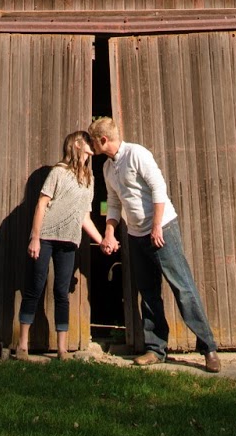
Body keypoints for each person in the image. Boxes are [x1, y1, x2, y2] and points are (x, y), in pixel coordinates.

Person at [89, 116, 220, 373]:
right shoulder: (107, 168)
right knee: (148, 293)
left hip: (163, 230)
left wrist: (157, 226)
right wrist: (109, 232)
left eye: (93, 142)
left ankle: (209, 348)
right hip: (136, 236)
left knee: (182, 288)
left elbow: (159, 189)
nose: (91, 146)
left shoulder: (137, 154)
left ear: (103, 140)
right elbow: (113, 204)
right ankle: (156, 349)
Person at [15, 130, 103, 359]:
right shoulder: (58, 172)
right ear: (76, 144)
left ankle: (62, 349)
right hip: (45, 238)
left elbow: (85, 216)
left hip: (69, 242)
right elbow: (42, 204)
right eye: (86, 141)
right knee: (35, 288)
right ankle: (22, 344)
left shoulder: (89, 179)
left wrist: (102, 241)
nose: (91, 145)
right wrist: (34, 237)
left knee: (61, 292)